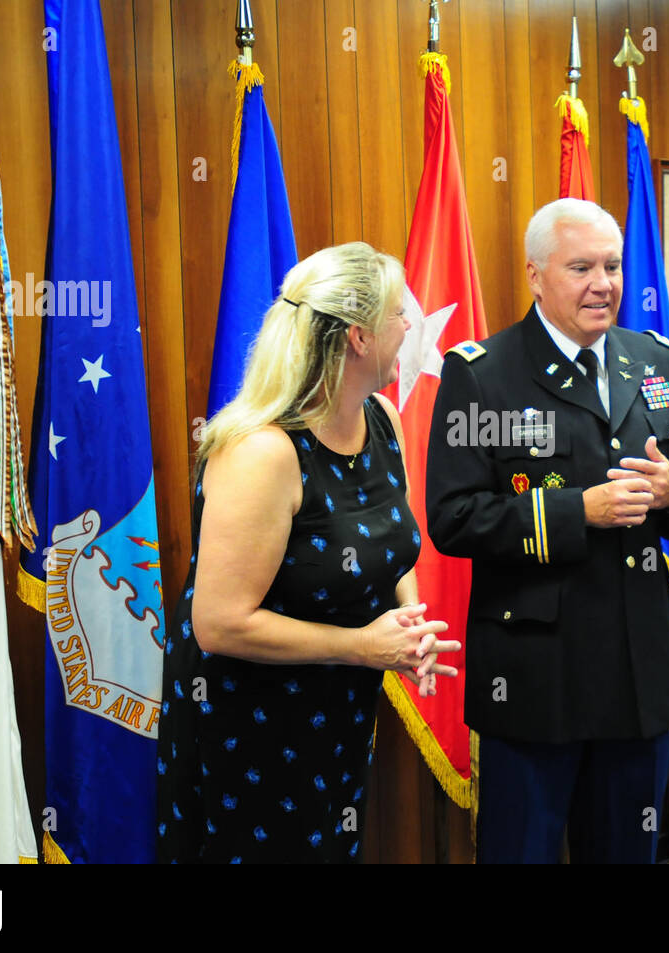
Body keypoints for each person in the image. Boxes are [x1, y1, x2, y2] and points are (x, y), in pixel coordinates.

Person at [425, 198, 669, 863]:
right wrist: (577, 511)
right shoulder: (482, 373)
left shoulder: (651, 359)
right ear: (534, 275)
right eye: (581, 267)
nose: (603, 283)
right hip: (536, 681)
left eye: (611, 266)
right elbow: (454, 517)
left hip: (639, 676)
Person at [156, 242, 459, 863]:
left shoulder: (380, 419)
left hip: (339, 710)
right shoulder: (263, 453)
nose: (412, 327)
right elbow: (217, 623)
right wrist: (362, 647)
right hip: (250, 726)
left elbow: (392, 545)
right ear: (358, 337)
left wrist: (410, 620)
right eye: (401, 314)